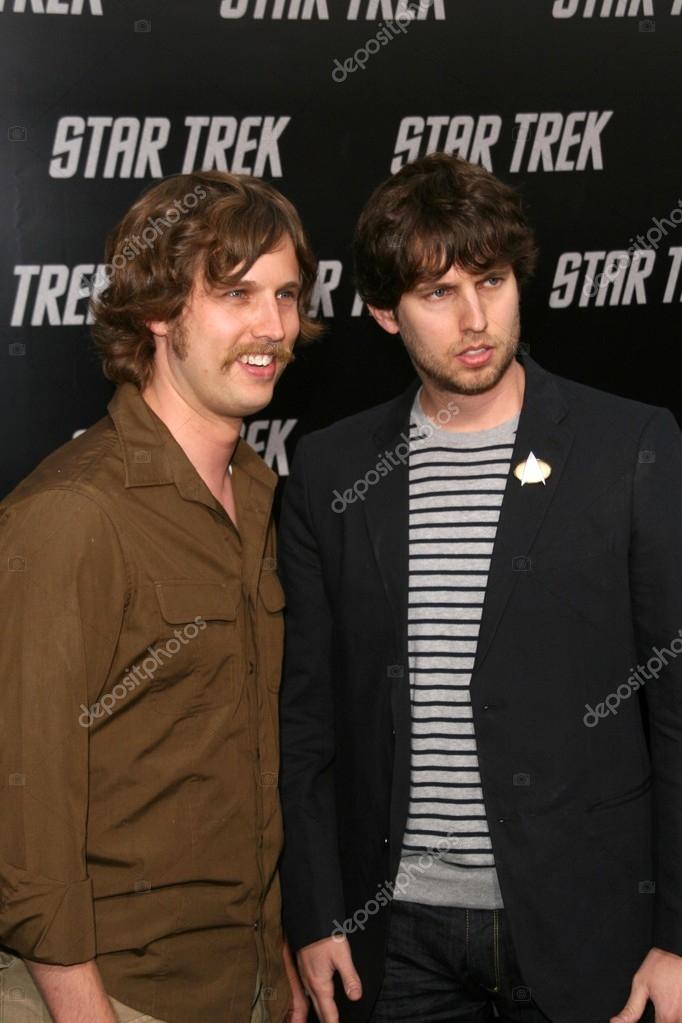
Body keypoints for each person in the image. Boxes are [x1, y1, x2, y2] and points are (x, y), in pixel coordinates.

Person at [277, 152, 682, 1023]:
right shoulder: (331, 468)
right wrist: (314, 913)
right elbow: (307, 718)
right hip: (397, 940)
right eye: (436, 293)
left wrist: (680, 933)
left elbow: (679, 706)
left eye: (491, 281)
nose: (474, 319)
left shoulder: (631, 448)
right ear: (386, 312)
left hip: (589, 929)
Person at [0, 170, 317, 1023]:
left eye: (286, 294)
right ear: (158, 310)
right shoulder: (71, 513)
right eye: (237, 294)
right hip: (115, 999)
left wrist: (273, 959)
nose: (273, 327)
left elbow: (239, 770)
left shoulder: (258, 498)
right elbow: (25, 813)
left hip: (241, 984)